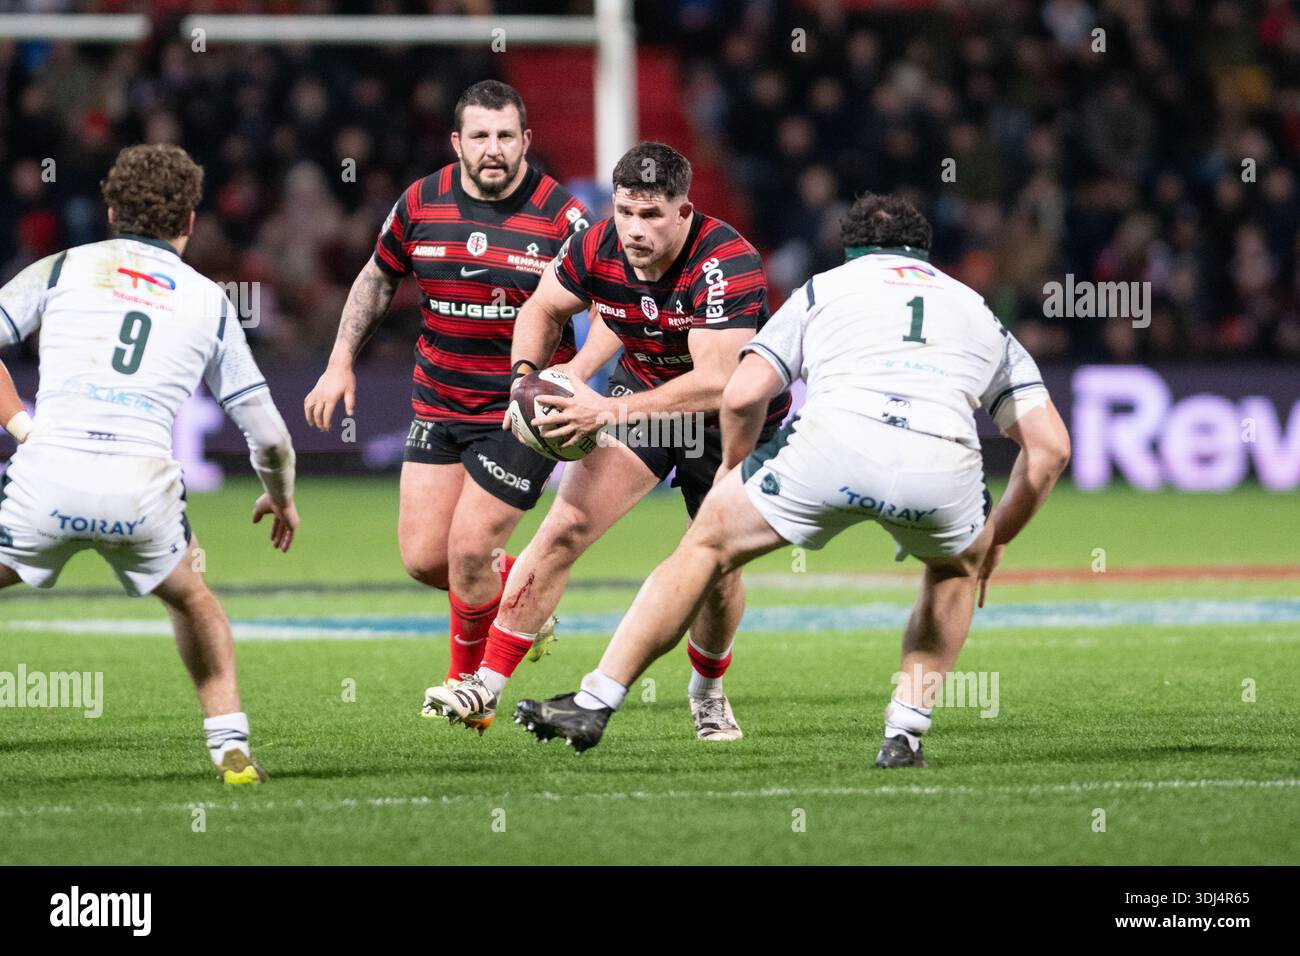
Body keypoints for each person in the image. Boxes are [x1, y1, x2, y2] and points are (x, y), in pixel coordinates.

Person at [514, 193, 1071, 766]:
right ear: (924, 251)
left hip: (832, 448)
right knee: (954, 569)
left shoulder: (821, 289)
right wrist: (995, 539)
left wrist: (732, 470)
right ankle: (904, 732)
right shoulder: (978, 311)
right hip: (941, 464)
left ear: (849, 247)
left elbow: (744, 391)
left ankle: (594, 700)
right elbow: (1050, 450)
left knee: (704, 547)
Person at [426, 142, 789, 739]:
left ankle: (708, 692)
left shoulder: (725, 261)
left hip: (729, 422)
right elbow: (542, 308)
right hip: (639, 396)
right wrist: (526, 377)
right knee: (564, 525)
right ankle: (483, 688)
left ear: (684, 211)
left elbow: (720, 382)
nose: (634, 229)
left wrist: (602, 411)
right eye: (625, 211)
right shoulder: (596, 244)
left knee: (716, 572)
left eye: (651, 215)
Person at [0, 144, 299, 784]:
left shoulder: (62, 269)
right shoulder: (211, 301)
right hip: (141, 492)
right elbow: (268, 434)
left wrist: (21, 426)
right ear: (189, 221)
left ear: (111, 211)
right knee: (195, 602)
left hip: (46, 476)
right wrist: (281, 495)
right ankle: (230, 749)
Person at [303, 81, 591, 721]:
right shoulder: (420, 201)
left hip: (522, 412)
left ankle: (468, 694)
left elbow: (609, 301)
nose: (494, 150)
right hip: (438, 401)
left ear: (526, 142)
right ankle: (526, 592)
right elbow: (378, 277)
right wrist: (338, 362)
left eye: (506, 136)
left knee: (468, 550)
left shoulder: (562, 217)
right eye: (481, 137)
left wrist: (588, 385)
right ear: (458, 142)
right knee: (425, 558)